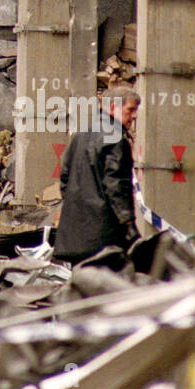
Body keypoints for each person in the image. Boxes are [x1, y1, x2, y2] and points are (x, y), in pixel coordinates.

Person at [54, 86, 141, 264]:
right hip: (104, 237)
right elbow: (116, 185)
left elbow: (65, 179)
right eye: (130, 110)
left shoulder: (81, 135)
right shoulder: (115, 138)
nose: (135, 116)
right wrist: (128, 224)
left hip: (75, 236)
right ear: (112, 108)